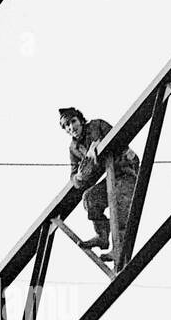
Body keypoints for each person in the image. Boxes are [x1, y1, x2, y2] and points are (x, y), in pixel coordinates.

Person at [59, 106, 139, 263]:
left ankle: (119, 250)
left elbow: (118, 137)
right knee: (90, 198)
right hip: (113, 176)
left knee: (119, 203)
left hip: (126, 168)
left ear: (80, 120)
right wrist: (80, 176)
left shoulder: (97, 125)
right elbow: (74, 178)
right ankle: (102, 236)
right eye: (67, 126)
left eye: (73, 122)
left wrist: (97, 145)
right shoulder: (74, 148)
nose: (71, 128)